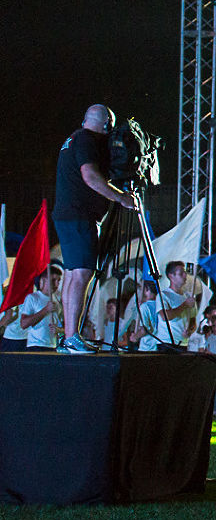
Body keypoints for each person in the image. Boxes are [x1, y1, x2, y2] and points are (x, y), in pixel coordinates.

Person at [51, 104, 141, 354]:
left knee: (72, 274)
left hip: (67, 215)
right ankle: (71, 337)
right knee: (80, 274)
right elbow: (90, 177)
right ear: (106, 125)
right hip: (80, 216)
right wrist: (121, 197)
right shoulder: (88, 141)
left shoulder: (74, 138)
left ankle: (70, 335)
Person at [144, 260, 200, 350]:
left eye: (185, 273)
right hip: (166, 343)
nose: (185, 276)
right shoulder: (164, 295)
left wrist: (190, 331)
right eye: (181, 273)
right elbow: (165, 317)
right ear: (171, 276)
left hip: (183, 344)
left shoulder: (189, 297)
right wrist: (185, 305)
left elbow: (193, 321)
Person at [14, 267, 64, 350]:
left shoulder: (57, 299)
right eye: (53, 280)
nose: (56, 284)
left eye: (58, 280)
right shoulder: (33, 298)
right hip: (36, 345)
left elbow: (63, 325)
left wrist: (59, 330)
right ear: (43, 280)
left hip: (53, 345)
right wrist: (46, 310)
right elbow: (24, 323)